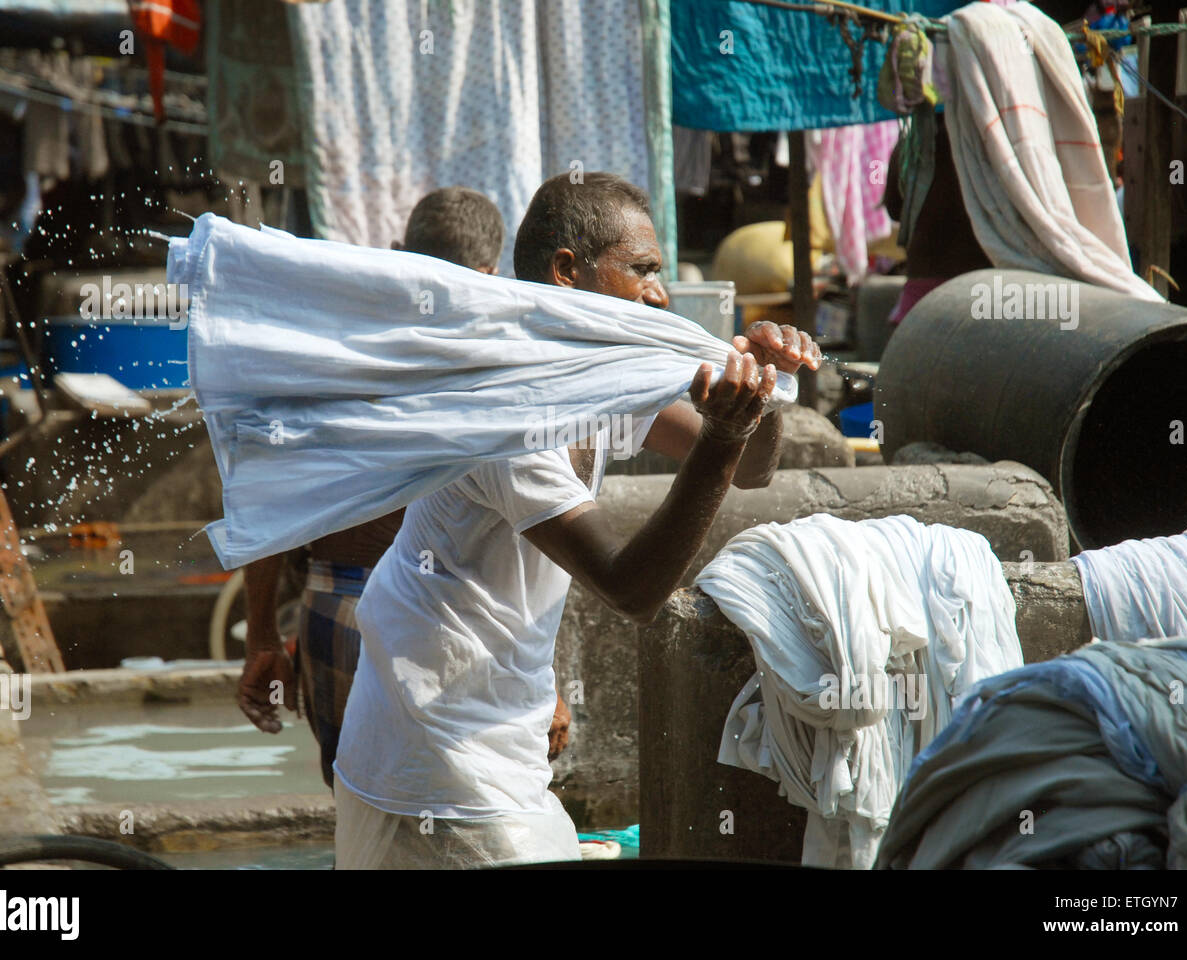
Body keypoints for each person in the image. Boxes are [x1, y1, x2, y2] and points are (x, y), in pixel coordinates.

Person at [332, 172, 822, 869]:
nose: (659, 292)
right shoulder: (506, 407)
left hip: (490, 735)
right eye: (643, 270)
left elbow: (753, 469)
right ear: (568, 272)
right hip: (435, 755)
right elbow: (631, 588)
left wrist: (762, 395)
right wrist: (721, 436)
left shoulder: (600, 376)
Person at [235, 186, 562, 789]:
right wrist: (548, 675)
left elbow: (266, 488)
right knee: (471, 804)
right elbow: (537, 537)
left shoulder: (334, 347)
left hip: (338, 604)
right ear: (490, 275)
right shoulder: (500, 363)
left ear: (396, 252)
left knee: (363, 807)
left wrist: (261, 636)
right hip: (456, 616)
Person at [882, 115, 991, 325]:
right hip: (979, 282)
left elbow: (894, 210)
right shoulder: (987, 144)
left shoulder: (909, 147)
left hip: (924, 277)